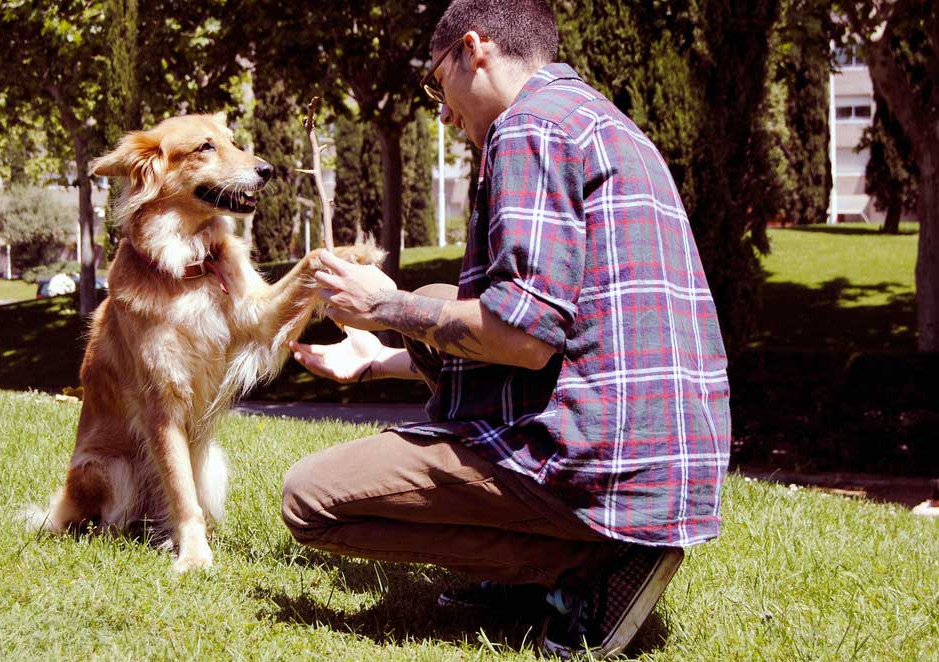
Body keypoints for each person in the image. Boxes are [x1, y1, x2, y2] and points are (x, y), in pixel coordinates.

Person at [281, 0, 731, 657]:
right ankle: (540, 571)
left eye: (436, 81)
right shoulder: (601, 122)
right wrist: (379, 360)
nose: (440, 108)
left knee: (308, 499)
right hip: (664, 454)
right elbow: (570, 332)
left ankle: (586, 564)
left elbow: (522, 339)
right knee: (442, 298)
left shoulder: (528, 127)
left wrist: (383, 305)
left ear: (473, 49)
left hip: (603, 464)